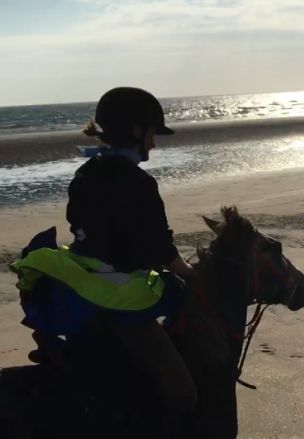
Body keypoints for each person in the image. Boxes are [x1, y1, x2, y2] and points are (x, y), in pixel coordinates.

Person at [12, 87, 198, 432]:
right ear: (137, 131)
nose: (154, 144)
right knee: (182, 393)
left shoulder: (87, 171)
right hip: (117, 291)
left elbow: (83, 226)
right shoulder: (138, 181)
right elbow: (160, 246)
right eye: (153, 134)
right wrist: (188, 270)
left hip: (80, 275)